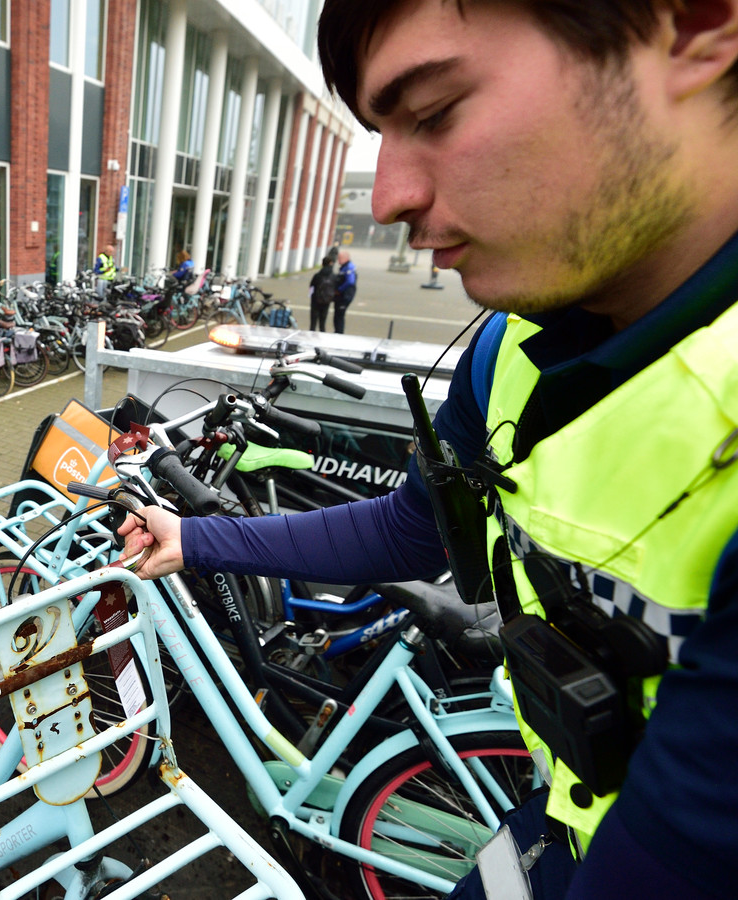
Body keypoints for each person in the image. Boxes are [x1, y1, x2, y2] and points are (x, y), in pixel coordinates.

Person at [118, 1, 738, 898]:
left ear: (692, 27)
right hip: (563, 820)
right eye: (380, 132)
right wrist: (196, 537)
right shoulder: (507, 354)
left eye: (436, 112)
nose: (389, 198)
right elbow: (415, 528)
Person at [307, 254, 339, 331]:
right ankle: (322, 336)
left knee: (313, 322)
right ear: (330, 263)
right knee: (322, 322)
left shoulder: (317, 275)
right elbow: (336, 287)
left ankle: (311, 337)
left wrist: (311, 296)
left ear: (322, 264)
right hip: (326, 300)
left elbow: (311, 286)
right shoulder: (334, 276)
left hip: (315, 300)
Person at [332, 249, 357, 333]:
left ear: (345, 258)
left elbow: (350, 281)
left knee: (339, 315)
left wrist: (339, 289)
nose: (338, 260)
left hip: (344, 296)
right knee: (337, 315)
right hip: (341, 296)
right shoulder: (344, 267)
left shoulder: (349, 267)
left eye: (339, 258)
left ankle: (339, 333)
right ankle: (337, 331)